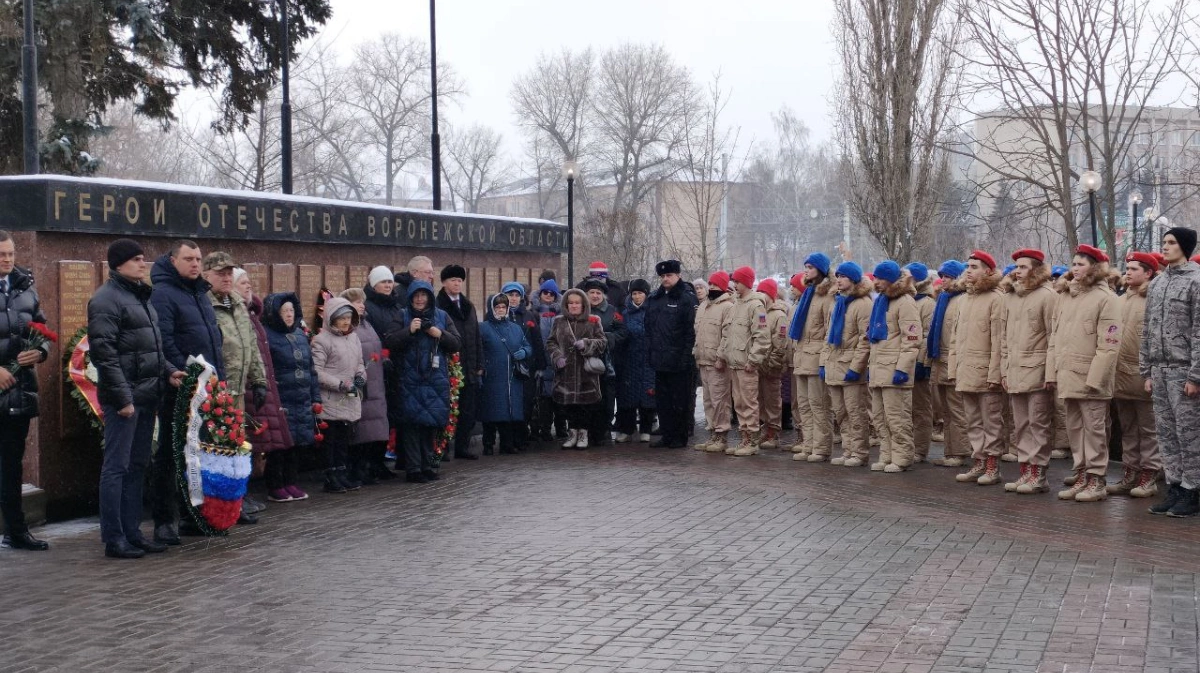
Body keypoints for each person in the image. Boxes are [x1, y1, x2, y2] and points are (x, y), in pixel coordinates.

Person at [88, 240, 178, 558]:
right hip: (124, 400)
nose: (144, 264)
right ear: (119, 264)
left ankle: (133, 532)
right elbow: (105, 354)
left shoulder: (141, 296)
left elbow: (151, 346)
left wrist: (168, 371)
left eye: (144, 258)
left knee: (138, 464)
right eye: (137, 259)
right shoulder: (105, 300)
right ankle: (114, 537)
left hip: (147, 394)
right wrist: (123, 397)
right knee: (117, 466)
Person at [149, 239, 224, 545]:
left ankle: (193, 516)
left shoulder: (200, 293)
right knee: (169, 454)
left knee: (196, 454)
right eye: (189, 259)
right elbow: (164, 341)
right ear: (173, 260)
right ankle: (165, 521)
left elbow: (211, 339)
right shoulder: (164, 293)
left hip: (206, 386)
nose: (195, 264)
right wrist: (187, 372)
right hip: (179, 385)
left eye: (198, 259)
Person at [1048, 245, 1121, 502]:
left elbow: (1109, 346)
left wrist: (1095, 380)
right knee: (1075, 429)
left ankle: (1096, 480)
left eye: (1081, 264)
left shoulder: (1106, 298)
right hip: (1068, 375)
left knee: (1095, 431)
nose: (1075, 268)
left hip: (1091, 379)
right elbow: (1055, 337)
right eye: (1074, 263)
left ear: (1095, 267)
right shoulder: (1066, 296)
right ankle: (1081, 475)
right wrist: (1052, 372)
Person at [204, 252, 268, 523]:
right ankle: (218, 506)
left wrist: (260, 379)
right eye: (220, 273)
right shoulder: (205, 304)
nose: (226, 278)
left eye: (230, 273)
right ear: (206, 275)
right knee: (218, 452)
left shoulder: (239, 305)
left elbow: (250, 344)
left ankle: (236, 500)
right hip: (216, 392)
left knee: (238, 448)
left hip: (239, 390)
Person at [1143, 227, 1200, 516]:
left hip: (1183, 371)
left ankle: (1192, 490)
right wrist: (1147, 371)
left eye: (1172, 243)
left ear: (1185, 247)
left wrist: (1195, 376)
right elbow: (1147, 330)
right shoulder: (1157, 284)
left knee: (1189, 434)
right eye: (1164, 242)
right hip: (1160, 370)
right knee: (1166, 434)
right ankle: (1174, 486)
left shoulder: (1196, 282)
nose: (1165, 247)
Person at [386, 280, 462, 482]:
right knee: (412, 426)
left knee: (430, 424)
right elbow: (390, 341)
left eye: (424, 295)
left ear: (429, 297)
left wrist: (439, 333)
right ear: (411, 298)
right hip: (409, 380)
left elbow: (456, 343)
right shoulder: (402, 315)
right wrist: (408, 331)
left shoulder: (442, 317)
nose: (420, 300)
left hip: (434, 379)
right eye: (416, 296)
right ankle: (413, 469)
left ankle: (428, 465)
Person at [995, 249, 1058, 494]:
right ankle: (1025, 471)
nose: (1017, 271)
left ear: (1036, 269)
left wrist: (1050, 372)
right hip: (1015, 370)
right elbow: (1003, 338)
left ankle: (1038, 473)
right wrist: (1003, 370)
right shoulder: (1010, 297)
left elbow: (1054, 336)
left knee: (1038, 424)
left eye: (1023, 267)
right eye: (1016, 267)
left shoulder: (1047, 296)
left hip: (1038, 370)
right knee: (1020, 424)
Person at [233, 269, 297, 500]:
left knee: (255, 443)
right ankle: (243, 494)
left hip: (259, 386)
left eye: (249, 282)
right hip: (244, 387)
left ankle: (245, 494)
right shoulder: (237, 315)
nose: (248, 286)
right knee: (245, 443)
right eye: (242, 283)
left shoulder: (251, 315)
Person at [952, 251, 1006, 486]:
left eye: (975, 266)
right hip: (966, 371)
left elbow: (999, 341)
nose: (969, 270)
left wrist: (995, 373)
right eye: (968, 266)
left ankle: (992, 465)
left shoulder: (997, 298)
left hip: (985, 372)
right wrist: (954, 369)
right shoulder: (963, 299)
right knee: (972, 421)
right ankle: (979, 460)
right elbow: (955, 339)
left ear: (988, 271)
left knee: (991, 421)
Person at [1110, 252, 1160, 498]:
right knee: (1128, 428)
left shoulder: (1154, 299)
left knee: (1149, 429)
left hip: (1144, 376)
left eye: (1134, 269)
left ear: (1149, 272)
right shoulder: (1119, 301)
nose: (1127, 272)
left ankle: (1149, 475)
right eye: (1127, 268)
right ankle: (1129, 472)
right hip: (1120, 376)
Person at [261, 293, 320, 502]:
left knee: (296, 444)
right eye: (284, 311)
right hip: (281, 398)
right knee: (279, 445)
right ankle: (275, 484)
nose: (288, 315)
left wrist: (316, 397)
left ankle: (291, 481)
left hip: (301, 397)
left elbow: (311, 369)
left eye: (291, 311)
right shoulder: (267, 334)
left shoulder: (300, 335)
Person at [865, 261, 921, 473]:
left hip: (894, 370)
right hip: (879, 368)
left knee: (897, 418)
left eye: (880, 278)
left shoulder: (905, 301)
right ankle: (886, 455)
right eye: (875, 278)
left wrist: (902, 368)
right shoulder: (881, 301)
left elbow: (912, 338)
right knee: (880, 418)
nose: (876, 282)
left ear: (890, 279)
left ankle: (902, 456)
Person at [311, 297, 366, 493]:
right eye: (341, 318)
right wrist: (340, 384)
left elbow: (359, 362)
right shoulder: (322, 340)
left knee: (344, 440)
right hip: (331, 398)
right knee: (331, 441)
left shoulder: (354, 337)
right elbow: (316, 371)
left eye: (349, 317)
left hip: (349, 397)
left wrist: (361, 376)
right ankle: (331, 476)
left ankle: (342, 474)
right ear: (331, 318)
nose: (345, 322)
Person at [340, 288, 393, 484]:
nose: (362, 304)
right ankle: (358, 470)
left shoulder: (367, 324)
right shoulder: (348, 327)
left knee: (373, 431)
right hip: (361, 386)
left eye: (362, 301)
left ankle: (370, 467)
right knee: (360, 432)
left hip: (376, 384)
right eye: (356, 302)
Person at [823, 262, 873, 467]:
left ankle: (860, 453)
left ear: (853, 279)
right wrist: (824, 362)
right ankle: (848, 450)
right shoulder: (838, 302)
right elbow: (829, 337)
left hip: (850, 368)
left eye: (843, 276)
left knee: (855, 412)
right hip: (835, 365)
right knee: (841, 413)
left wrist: (856, 368)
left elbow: (866, 339)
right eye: (838, 276)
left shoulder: (863, 304)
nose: (839, 279)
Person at [645, 260, 698, 449]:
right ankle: (667, 434)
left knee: (680, 402)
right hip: (660, 359)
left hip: (679, 360)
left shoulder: (686, 298)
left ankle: (679, 436)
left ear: (678, 276)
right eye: (663, 276)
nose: (666, 279)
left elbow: (690, 332)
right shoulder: (655, 298)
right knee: (663, 402)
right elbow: (650, 327)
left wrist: (686, 358)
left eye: (669, 275)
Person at [546, 289, 607, 449]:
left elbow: (602, 342)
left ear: (583, 304)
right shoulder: (558, 321)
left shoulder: (593, 320)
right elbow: (550, 342)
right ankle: (572, 434)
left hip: (586, 372)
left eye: (577, 303)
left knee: (585, 406)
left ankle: (583, 435)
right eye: (570, 303)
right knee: (569, 406)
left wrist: (587, 343)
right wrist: (557, 356)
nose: (573, 306)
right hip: (565, 372)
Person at [788, 253, 835, 462]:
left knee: (819, 405)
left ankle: (821, 447)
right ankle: (808, 444)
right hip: (801, 357)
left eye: (810, 267)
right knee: (804, 405)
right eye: (805, 266)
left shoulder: (828, 296)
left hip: (815, 357)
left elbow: (828, 331)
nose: (806, 270)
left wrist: (824, 359)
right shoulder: (808, 293)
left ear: (821, 269)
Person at [721, 266, 769, 456]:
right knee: (739, 403)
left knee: (749, 403)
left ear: (747, 283)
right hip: (735, 363)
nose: (734, 285)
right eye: (734, 281)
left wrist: (754, 360)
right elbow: (728, 334)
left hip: (746, 365)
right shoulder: (736, 305)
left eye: (738, 282)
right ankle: (744, 438)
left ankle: (752, 440)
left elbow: (762, 337)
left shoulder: (755, 306)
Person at [436, 265, 482, 460]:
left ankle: (462, 446)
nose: (457, 284)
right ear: (444, 282)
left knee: (468, 410)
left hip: (469, 366)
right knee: (448, 409)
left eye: (459, 280)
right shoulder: (438, 306)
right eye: (453, 280)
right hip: (449, 366)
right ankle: (443, 447)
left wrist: (480, 364)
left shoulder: (468, 306)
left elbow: (476, 337)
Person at [479, 293, 533, 454]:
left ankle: (506, 444)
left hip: (512, 377)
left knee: (508, 412)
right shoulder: (483, 328)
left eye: (503, 307)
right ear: (491, 308)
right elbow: (478, 350)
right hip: (492, 376)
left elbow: (528, 347)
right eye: (497, 307)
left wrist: (523, 352)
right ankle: (487, 444)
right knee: (490, 412)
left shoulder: (515, 328)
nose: (501, 310)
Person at [929, 260, 968, 467]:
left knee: (956, 409)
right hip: (940, 360)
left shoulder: (961, 300)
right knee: (946, 411)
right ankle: (950, 451)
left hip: (952, 361)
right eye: (941, 276)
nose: (942, 280)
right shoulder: (943, 299)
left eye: (948, 277)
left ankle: (960, 452)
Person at [502, 281, 547, 450]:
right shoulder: (498, 313)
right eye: (510, 295)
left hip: (527, 366)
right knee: (509, 402)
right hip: (506, 366)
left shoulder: (529, 316)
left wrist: (541, 364)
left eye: (516, 295)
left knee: (525, 402)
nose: (513, 299)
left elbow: (537, 340)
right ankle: (509, 439)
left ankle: (521, 436)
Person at [693, 271, 735, 452]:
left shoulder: (728, 307)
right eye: (710, 284)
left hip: (717, 362)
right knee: (708, 400)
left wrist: (721, 357)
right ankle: (712, 434)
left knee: (720, 400)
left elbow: (727, 335)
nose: (711, 287)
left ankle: (722, 435)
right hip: (703, 360)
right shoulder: (703, 306)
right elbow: (698, 332)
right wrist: (696, 352)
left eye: (715, 284)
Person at [583, 277, 627, 445]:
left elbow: (623, 332)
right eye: (592, 292)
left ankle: (604, 429)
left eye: (598, 293)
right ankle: (587, 429)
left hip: (606, 362)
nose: (595, 296)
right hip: (584, 361)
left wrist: (606, 338)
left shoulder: (612, 311)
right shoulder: (580, 310)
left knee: (606, 397)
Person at [616, 278, 656, 443]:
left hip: (648, 360)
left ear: (646, 295)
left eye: (640, 293)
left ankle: (646, 429)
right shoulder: (625, 314)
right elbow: (621, 333)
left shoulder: (653, 312)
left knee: (647, 395)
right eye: (634, 293)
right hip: (629, 359)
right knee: (628, 397)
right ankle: (627, 429)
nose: (637, 296)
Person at [904, 263, 935, 463]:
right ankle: (910, 445)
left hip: (918, 362)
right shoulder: (906, 300)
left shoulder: (927, 304)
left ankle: (921, 448)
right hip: (904, 361)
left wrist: (922, 362)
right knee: (907, 408)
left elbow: (926, 335)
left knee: (921, 407)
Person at [756, 278, 790, 451]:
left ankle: (774, 432)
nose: (760, 295)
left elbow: (780, 341)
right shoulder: (760, 313)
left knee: (772, 400)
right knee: (761, 400)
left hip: (771, 366)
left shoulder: (779, 315)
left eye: (763, 292)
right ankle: (765, 428)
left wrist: (773, 362)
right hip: (759, 365)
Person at [532, 279, 564, 441]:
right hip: (540, 361)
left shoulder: (562, 314)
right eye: (546, 292)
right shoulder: (533, 313)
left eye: (552, 293)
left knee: (559, 396)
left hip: (559, 361)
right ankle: (543, 428)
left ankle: (560, 427)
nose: (549, 296)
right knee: (542, 398)